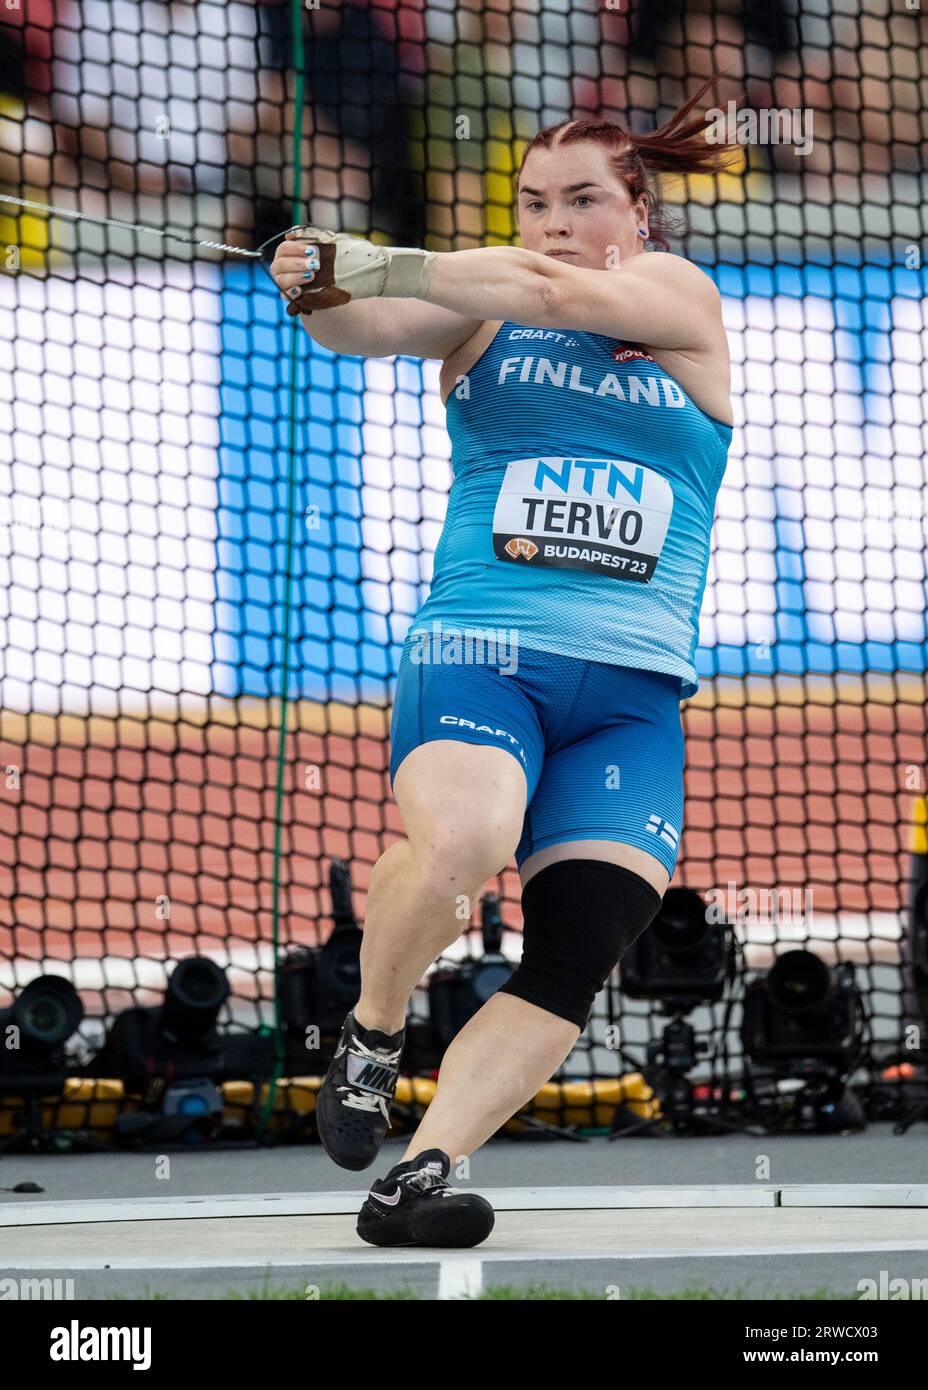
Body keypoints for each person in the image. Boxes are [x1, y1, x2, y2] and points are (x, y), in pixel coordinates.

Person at [271, 80, 736, 1249]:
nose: (553, 225)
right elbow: (356, 327)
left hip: (630, 696)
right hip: (483, 652)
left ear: (638, 211)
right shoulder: (482, 314)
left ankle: (419, 1175)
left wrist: (378, 259)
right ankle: (374, 1033)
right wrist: (316, 281)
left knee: (583, 940)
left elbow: (542, 286)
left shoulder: (678, 297)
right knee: (469, 845)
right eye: (533, 203)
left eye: (582, 201)